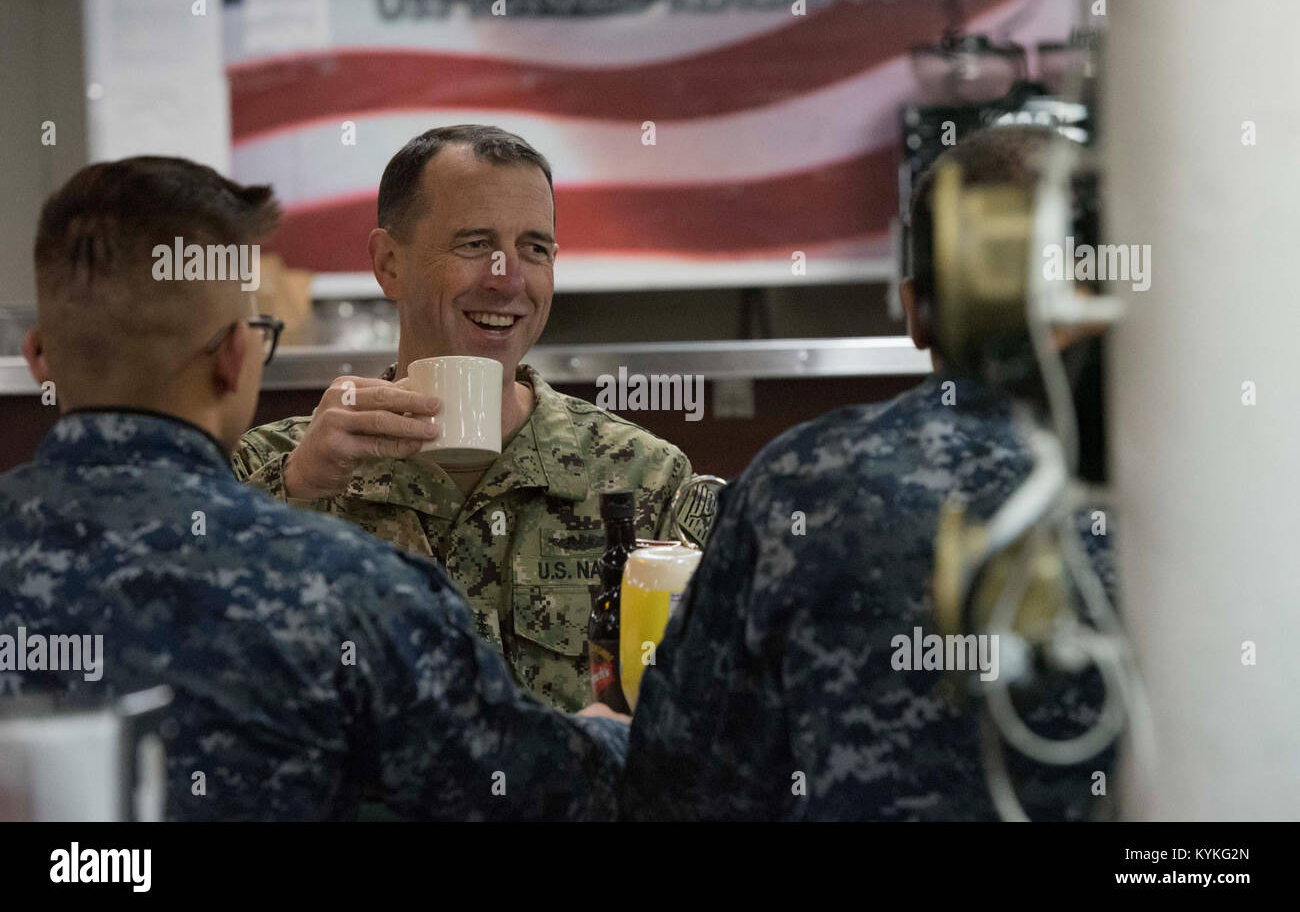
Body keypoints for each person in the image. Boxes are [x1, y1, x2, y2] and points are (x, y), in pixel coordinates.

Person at [0, 156, 627, 821]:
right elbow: (528, 788)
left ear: (42, 358)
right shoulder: (353, 588)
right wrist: (607, 734)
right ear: (236, 357)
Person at [619, 126, 1117, 821]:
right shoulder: (1208, 490)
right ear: (1097, 292)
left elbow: (682, 787)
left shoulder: (797, 480)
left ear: (914, 311)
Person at [233, 125, 706, 713]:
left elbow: (707, 711)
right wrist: (297, 488)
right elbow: (205, 661)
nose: (507, 278)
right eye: (474, 244)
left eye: (535, 248)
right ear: (388, 264)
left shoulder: (643, 478)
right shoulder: (271, 470)